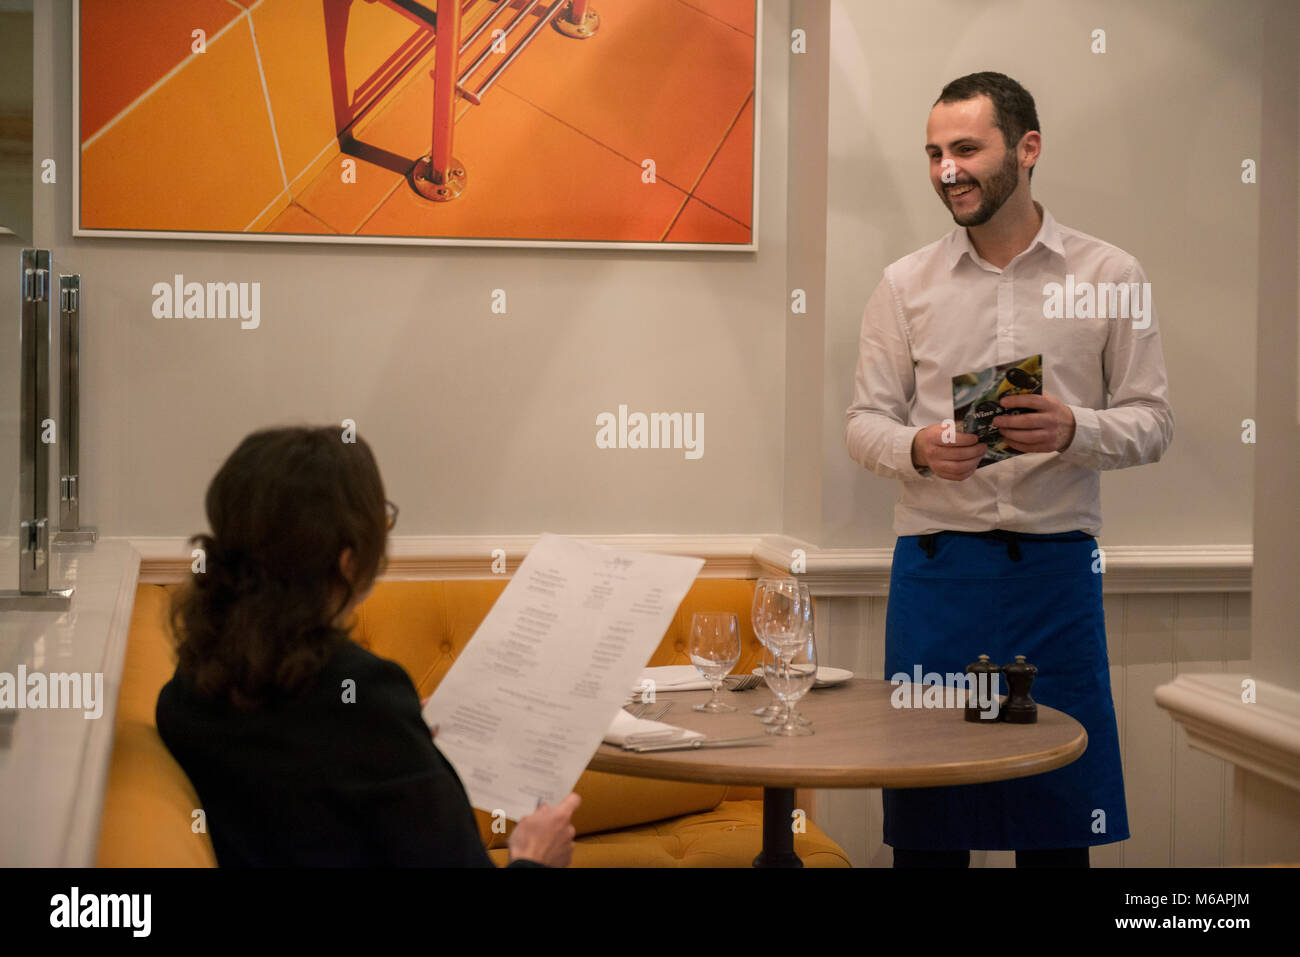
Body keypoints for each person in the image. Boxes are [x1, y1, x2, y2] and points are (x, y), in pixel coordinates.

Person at [845, 72, 1173, 867]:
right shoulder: (903, 283)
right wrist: (917, 447)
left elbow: (1155, 421)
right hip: (934, 573)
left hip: (1057, 577)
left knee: (1058, 830)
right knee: (929, 834)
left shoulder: (1112, 276)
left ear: (1027, 150)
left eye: (965, 148)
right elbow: (862, 424)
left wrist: (1074, 428)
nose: (945, 170)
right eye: (933, 153)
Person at [156, 426, 580, 866]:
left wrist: (399, 730)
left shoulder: (189, 688)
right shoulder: (364, 695)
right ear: (347, 561)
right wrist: (536, 857)